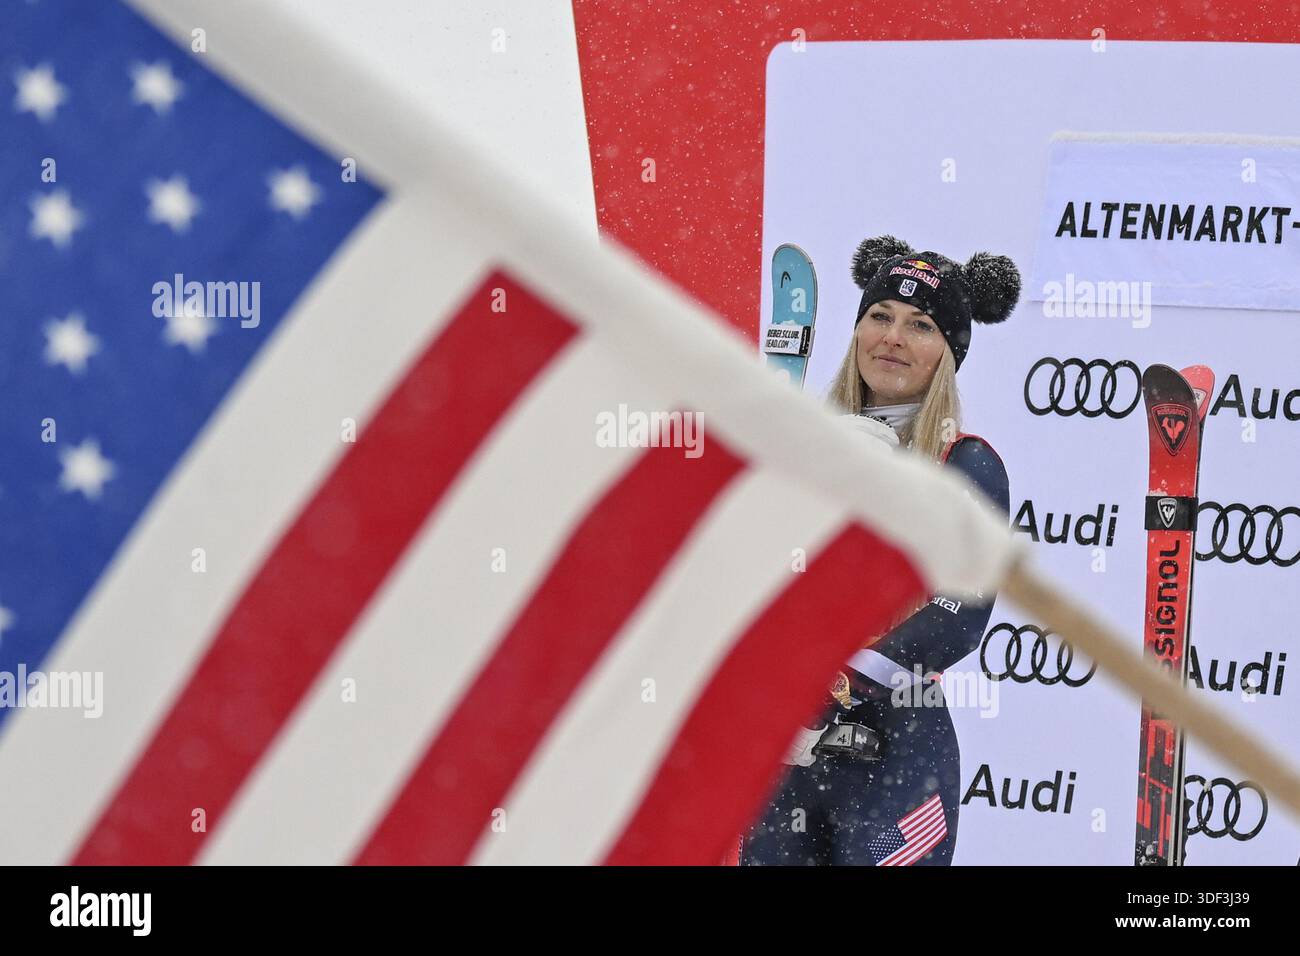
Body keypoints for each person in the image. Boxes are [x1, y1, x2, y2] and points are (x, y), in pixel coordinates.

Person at [740, 235, 1020, 866]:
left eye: (921, 325)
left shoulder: (965, 464)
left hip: (896, 754)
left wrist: (836, 680)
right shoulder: (807, 451)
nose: (893, 336)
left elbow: (959, 618)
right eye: (880, 316)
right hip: (788, 763)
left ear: (948, 354)